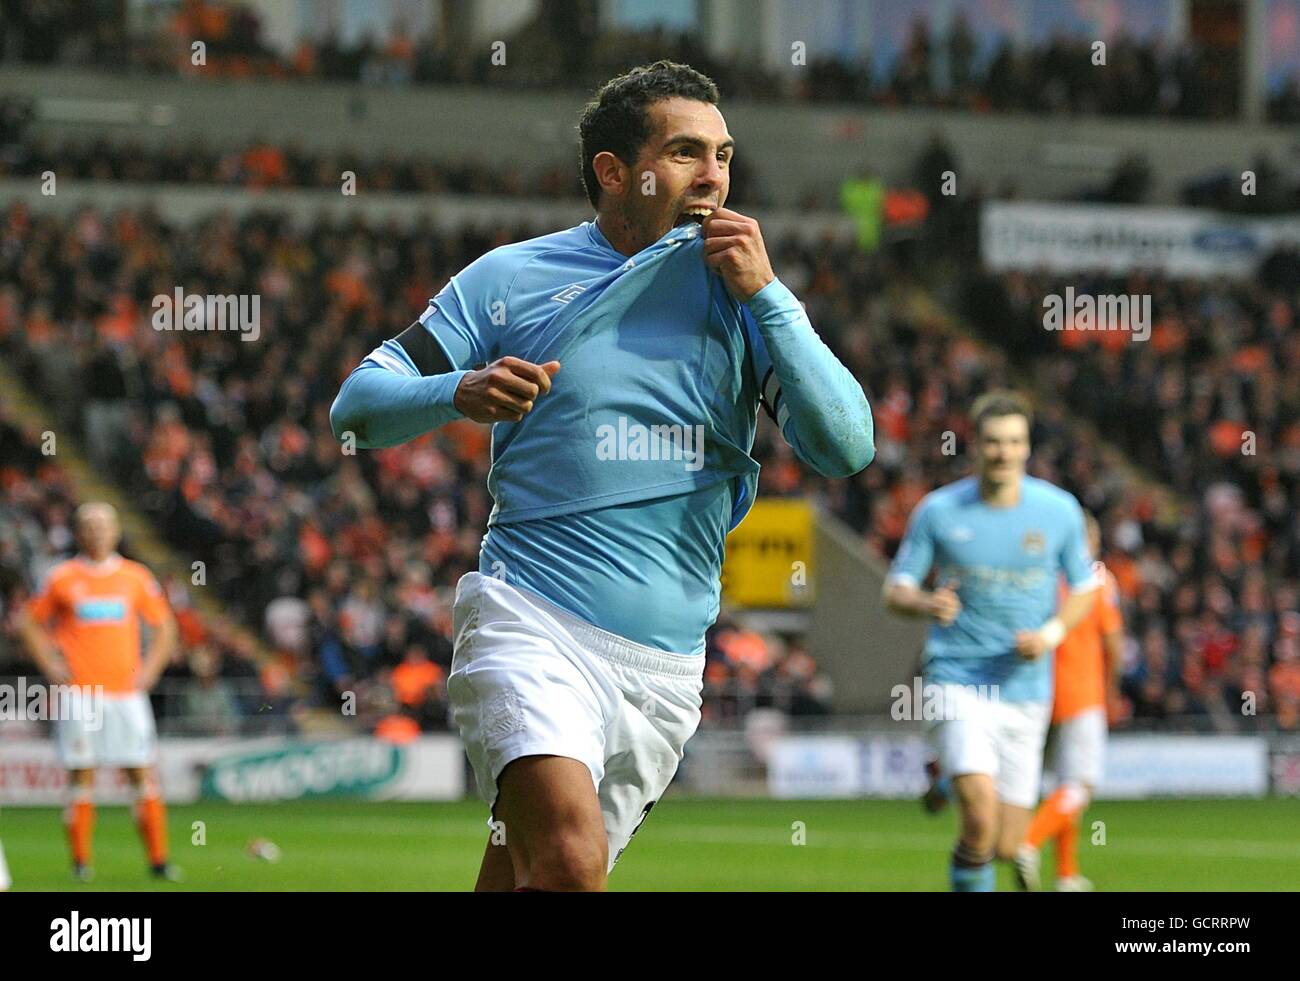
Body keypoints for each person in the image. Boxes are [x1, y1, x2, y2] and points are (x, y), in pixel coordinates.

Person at [330, 60, 875, 891]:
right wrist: (459, 391)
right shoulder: (509, 280)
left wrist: (770, 296)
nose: (715, 175)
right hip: (531, 620)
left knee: (525, 873)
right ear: (615, 171)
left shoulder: (742, 298)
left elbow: (846, 446)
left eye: (724, 154)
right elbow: (358, 406)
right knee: (572, 861)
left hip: (665, 669)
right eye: (688, 151)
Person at [883, 391, 1098, 892]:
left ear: (1027, 448)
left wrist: (1049, 634)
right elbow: (895, 590)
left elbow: (1086, 589)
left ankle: (944, 778)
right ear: (976, 446)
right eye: (994, 442)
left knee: (1005, 846)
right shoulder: (938, 511)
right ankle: (959, 779)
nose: (1004, 452)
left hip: (1026, 690)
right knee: (978, 815)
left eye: (1014, 442)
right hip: (957, 679)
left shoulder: (1059, 512)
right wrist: (927, 602)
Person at [15, 502, 181, 883]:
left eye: (104, 525)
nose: (97, 532)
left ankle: (158, 861)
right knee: (80, 775)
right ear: (78, 531)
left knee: (141, 771)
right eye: (89, 525)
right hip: (80, 694)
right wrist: (52, 667)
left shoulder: (135, 577)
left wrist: (150, 671)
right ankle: (80, 863)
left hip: (126, 693)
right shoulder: (61, 576)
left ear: (116, 529)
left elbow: (165, 627)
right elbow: (27, 622)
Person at [1015, 512, 1123, 892]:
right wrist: (1113, 689)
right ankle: (1027, 841)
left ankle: (1066, 874)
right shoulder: (1096, 578)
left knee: (1060, 784)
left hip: (1040, 692)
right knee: (1080, 786)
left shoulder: (1042, 578)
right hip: (1082, 691)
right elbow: (1112, 639)